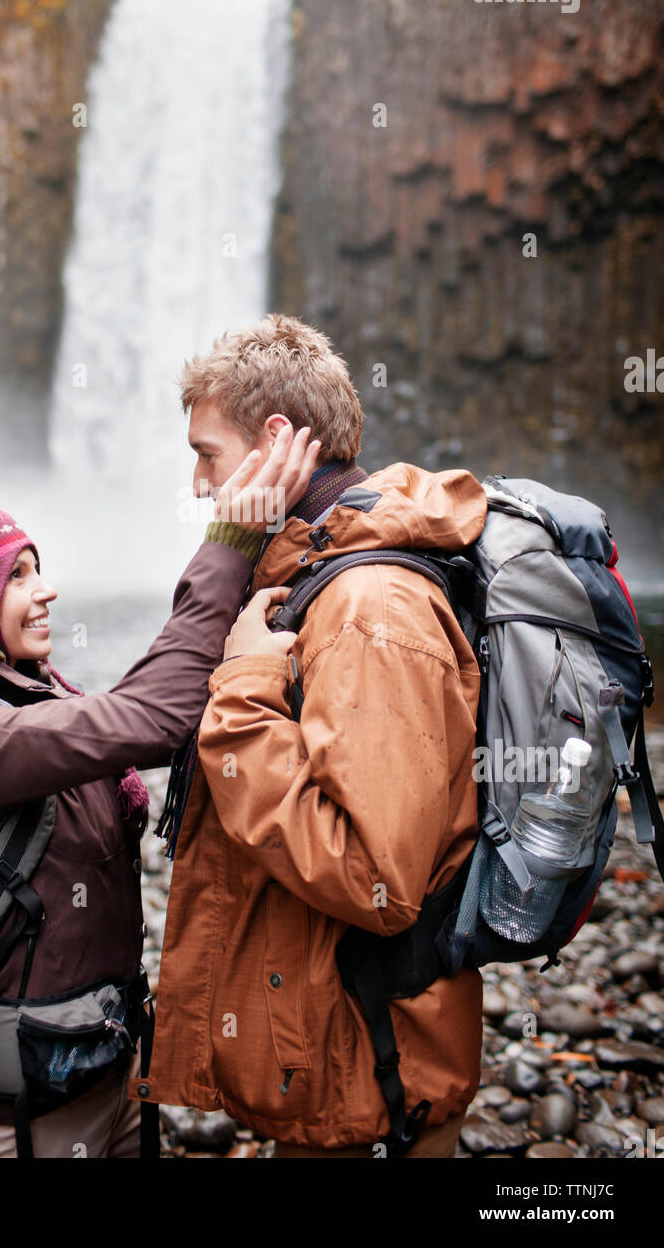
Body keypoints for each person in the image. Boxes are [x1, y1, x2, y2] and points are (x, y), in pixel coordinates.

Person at [0, 424, 318, 1159]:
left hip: (105, 1078)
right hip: (15, 1124)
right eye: (14, 577)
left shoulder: (24, 697)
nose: (46, 590)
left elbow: (151, 714)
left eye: (35, 569)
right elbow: (149, 717)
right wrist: (230, 539)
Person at [133, 314, 489, 1157]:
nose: (195, 484)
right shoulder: (308, 571)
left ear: (276, 440)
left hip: (370, 1076)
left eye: (207, 455)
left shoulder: (371, 608)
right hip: (329, 1058)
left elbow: (376, 876)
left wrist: (244, 696)